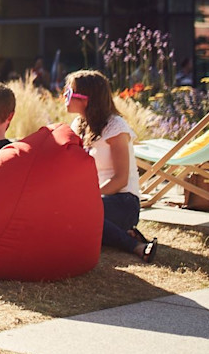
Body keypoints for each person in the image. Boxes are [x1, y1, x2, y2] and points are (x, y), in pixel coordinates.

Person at [64, 69, 157, 262]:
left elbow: (121, 179)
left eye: (70, 92)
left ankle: (137, 246)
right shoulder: (78, 125)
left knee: (80, 215)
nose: (65, 95)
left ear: (87, 98)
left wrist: (89, 198)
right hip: (95, 200)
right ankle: (124, 234)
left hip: (123, 201)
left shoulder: (115, 128)